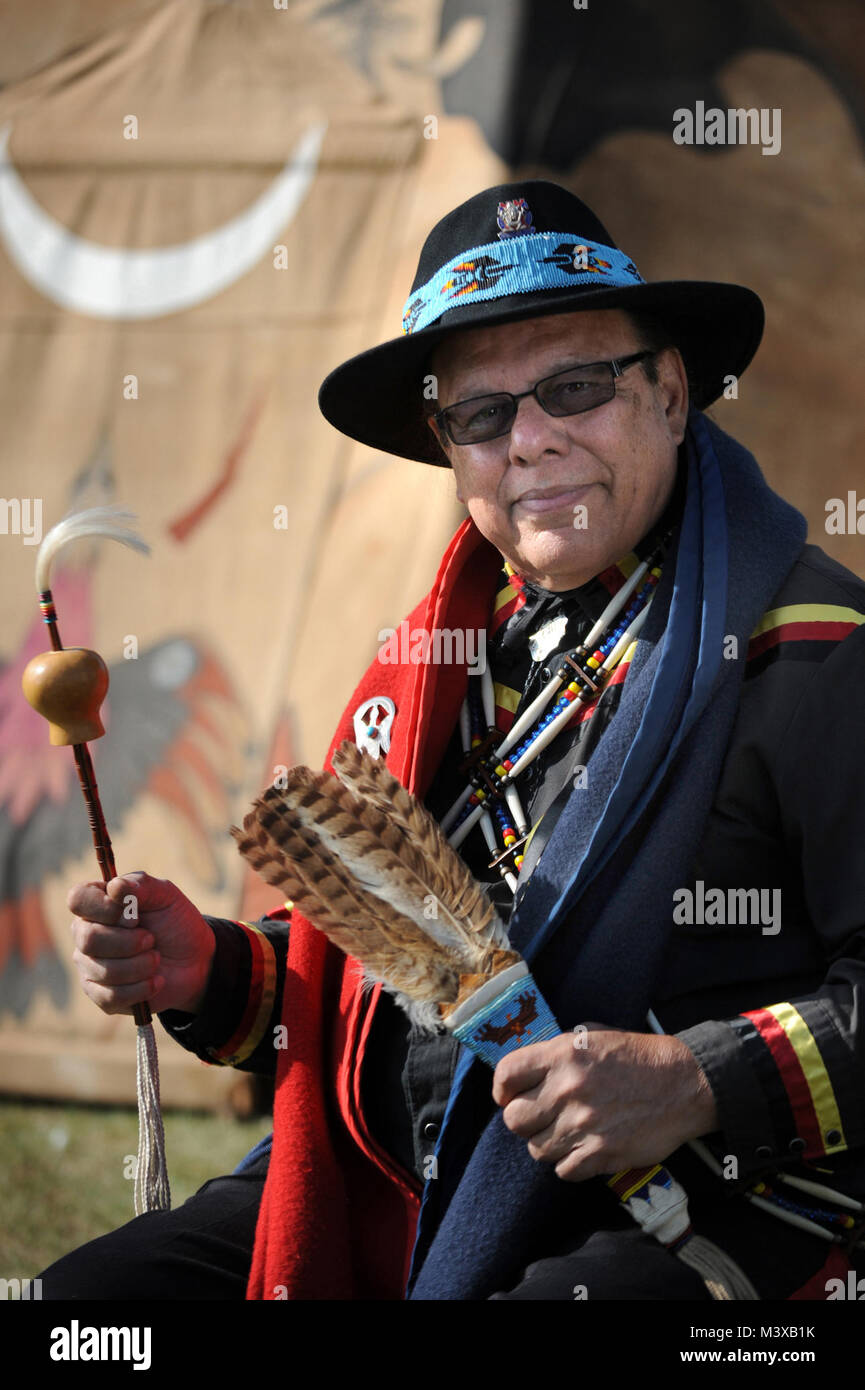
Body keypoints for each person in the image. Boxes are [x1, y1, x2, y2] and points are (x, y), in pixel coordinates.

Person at [41, 181, 865, 1301]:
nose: (529, 440)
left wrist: (694, 1080)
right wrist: (218, 971)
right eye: (482, 414)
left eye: (576, 387)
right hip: (405, 1177)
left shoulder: (814, 652)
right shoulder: (435, 667)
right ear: (448, 447)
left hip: (717, 1209)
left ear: (670, 394)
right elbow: (418, 970)